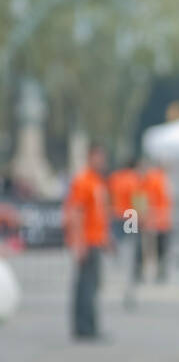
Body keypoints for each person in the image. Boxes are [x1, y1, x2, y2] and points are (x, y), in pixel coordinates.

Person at [64, 144, 112, 340]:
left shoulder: (98, 182)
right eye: (99, 157)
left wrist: (107, 239)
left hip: (96, 240)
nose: (102, 161)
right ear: (91, 157)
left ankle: (90, 326)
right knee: (85, 286)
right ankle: (84, 328)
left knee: (92, 285)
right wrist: (79, 242)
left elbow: (101, 213)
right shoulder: (83, 181)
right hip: (87, 241)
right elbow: (75, 212)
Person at [135, 160, 173, 283]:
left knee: (159, 248)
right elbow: (141, 196)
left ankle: (157, 273)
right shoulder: (153, 178)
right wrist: (141, 215)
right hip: (153, 220)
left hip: (160, 221)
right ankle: (141, 272)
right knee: (146, 247)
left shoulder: (161, 179)